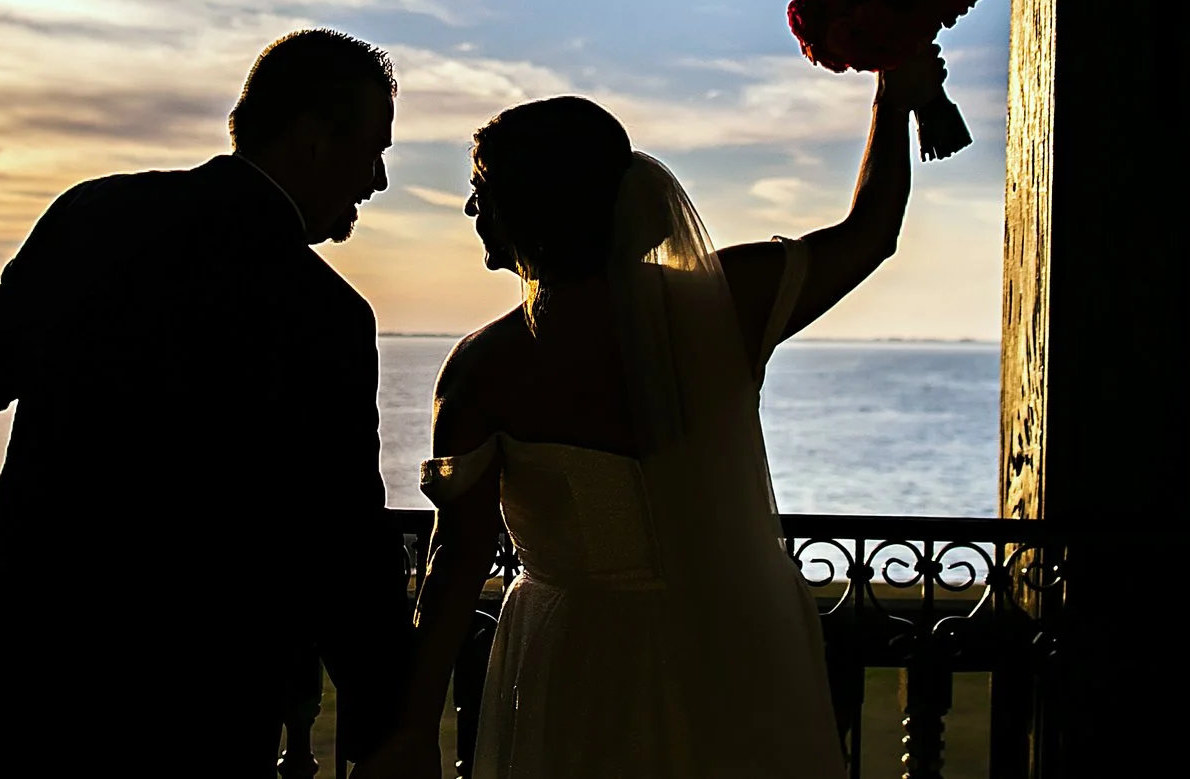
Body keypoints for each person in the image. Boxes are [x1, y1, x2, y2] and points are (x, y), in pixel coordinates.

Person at [361, 45, 949, 779]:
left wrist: (416, 725)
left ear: (532, 206)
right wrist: (892, 97)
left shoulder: (485, 368)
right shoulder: (723, 304)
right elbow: (871, 231)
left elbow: (457, 561)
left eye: (483, 189)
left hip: (578, 661)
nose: (471, 209)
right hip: (733, 647)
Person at [0, 29, 412, 774]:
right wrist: (385, 722)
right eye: (373, 151)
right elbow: (343, 529)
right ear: (313, 141)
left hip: (36, 650)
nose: (377, 180)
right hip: (205, 681)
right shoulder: (325, 314)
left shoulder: (96, 214)